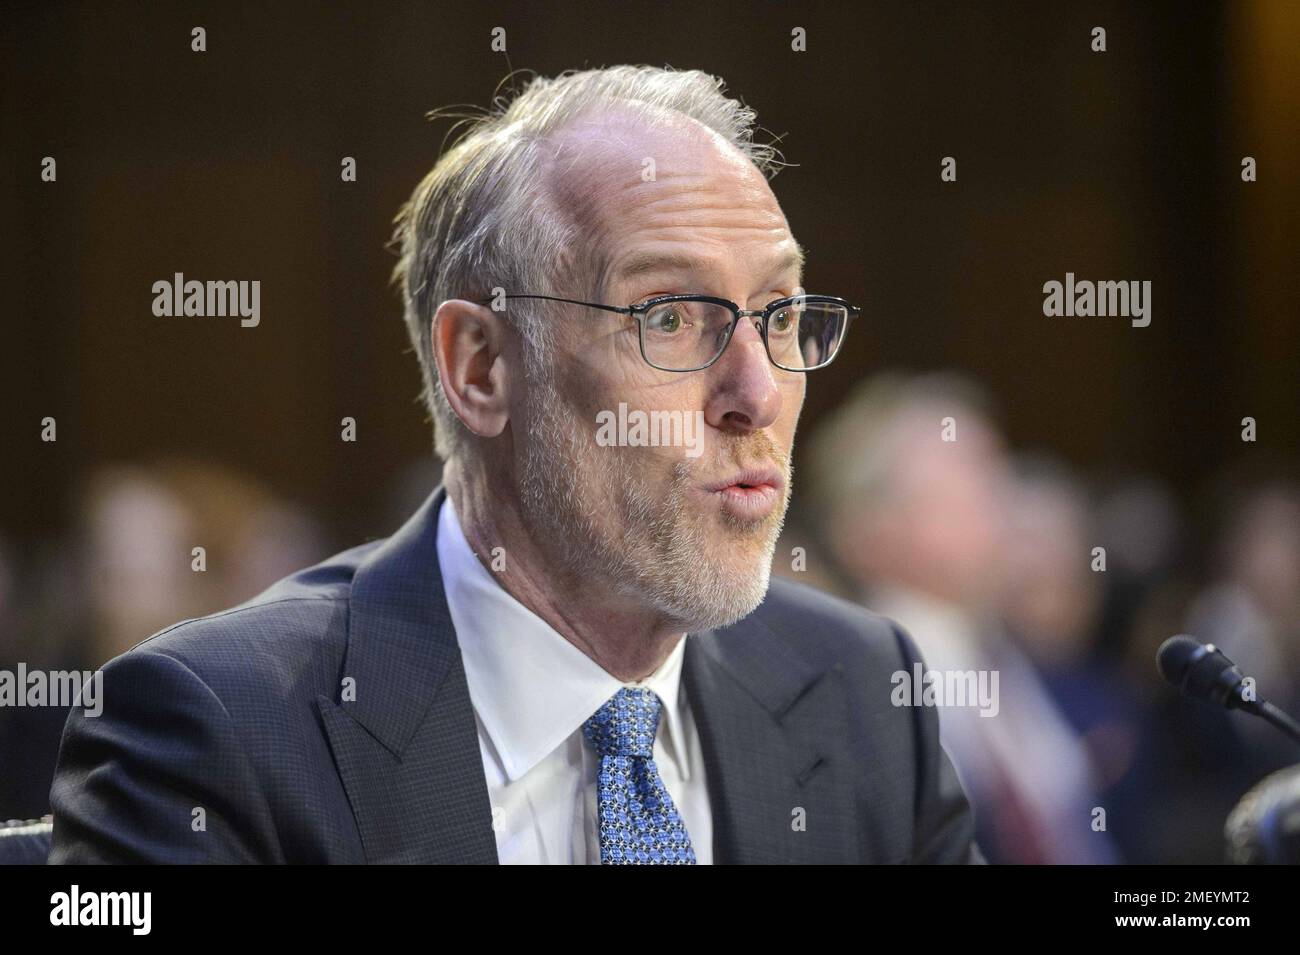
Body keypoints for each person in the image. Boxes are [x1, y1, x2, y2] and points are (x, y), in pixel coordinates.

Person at [49, 65, 979, 864]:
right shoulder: (217, 732)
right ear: (482, 368)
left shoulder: (860, 689)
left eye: (779, 313)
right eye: (668, 317)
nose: (760, 392)